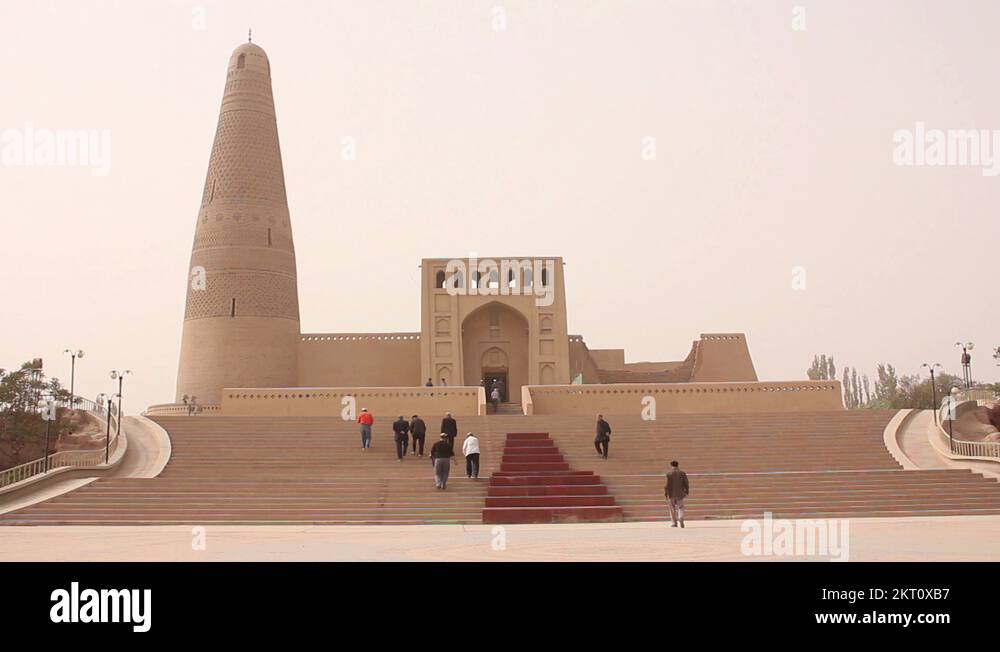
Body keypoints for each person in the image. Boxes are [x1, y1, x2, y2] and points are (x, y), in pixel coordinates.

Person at [664, 460, 690, 528]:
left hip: (671, 493)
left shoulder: (669, 474)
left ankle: (674, 523)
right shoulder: (682, 473)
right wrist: (687, 491)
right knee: (680, 507)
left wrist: (666, 493)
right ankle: (680, 517)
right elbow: (686, 483)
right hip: (680, 493)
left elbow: (666, 485)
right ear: (677, 465)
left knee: (672, 508)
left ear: (671, 466)